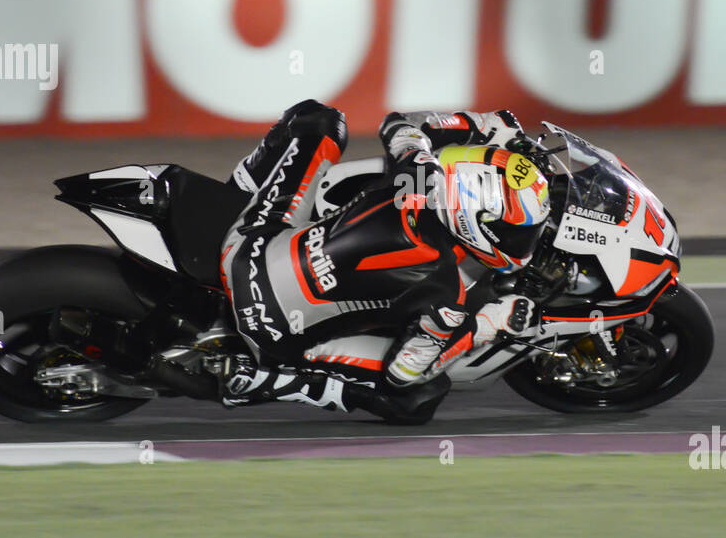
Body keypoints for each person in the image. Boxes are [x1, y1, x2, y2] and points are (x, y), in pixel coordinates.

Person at [219, 100, 551, 423]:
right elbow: (403, 374)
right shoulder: (448, 292)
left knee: (319, 120)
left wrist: (478, 124)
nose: (522, 244)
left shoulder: (414, 174)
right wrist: (485, 326)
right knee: (421, 396)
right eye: (516, 233)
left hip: (248, 248)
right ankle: (266, 381)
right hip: (271, 333)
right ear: (473, 217)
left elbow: (400, 123)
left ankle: (223, 202)